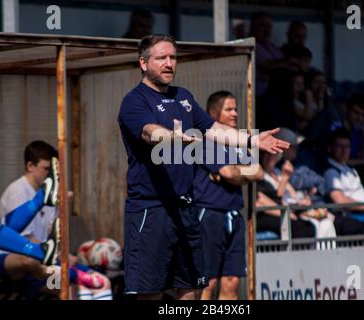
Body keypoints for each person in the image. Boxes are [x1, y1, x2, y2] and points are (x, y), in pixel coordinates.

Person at [117, 34, 289, 300]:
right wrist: (169, 137)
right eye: (161, 58)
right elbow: (149, 132)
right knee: (150, 293)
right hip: (151, 210)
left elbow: (213, 129)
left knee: (190, 288)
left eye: (172, 57)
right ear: (143, 62)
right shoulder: (135, 101)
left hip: (186, 209)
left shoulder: (183, 97)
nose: (169, 63)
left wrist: (252, 139)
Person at [0, 141, 112, 299]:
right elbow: (23, 241)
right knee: (79, 286)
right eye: (46, 169)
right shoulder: (17, 191)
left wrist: (61, 207)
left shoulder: (45, 192)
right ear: (30, 166)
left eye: (53, 171)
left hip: (44, 261)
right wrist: (60, 256)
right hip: (24, 266)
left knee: (94, 277)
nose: (50, 175)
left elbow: (52, 233)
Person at [194, 91, 263, 300]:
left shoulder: (240, 142)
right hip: (209, 215)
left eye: (235, 108)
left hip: (234, 214)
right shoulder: (204, 140)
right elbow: (228, 172)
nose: (235, 113)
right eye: (229, 109)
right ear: (214, 114)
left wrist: (235, 173)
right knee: (209, 282)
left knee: (231, 281)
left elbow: (258, 171)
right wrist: (240, 172)